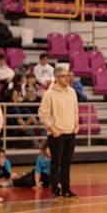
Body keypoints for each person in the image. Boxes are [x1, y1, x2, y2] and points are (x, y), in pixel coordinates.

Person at [38, 67, 79, 198]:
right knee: (56, 163)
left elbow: (75, 110)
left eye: (67, 75)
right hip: (57, 133)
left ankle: (66, 189)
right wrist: (52, 129)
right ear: (56, 78)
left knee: (67, 163)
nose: (67, 78)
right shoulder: (49, 94)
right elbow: (43, 114)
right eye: (63, 76)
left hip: (70, 132)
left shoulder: (72, 92)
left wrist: (76, 124)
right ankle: (55, 190)